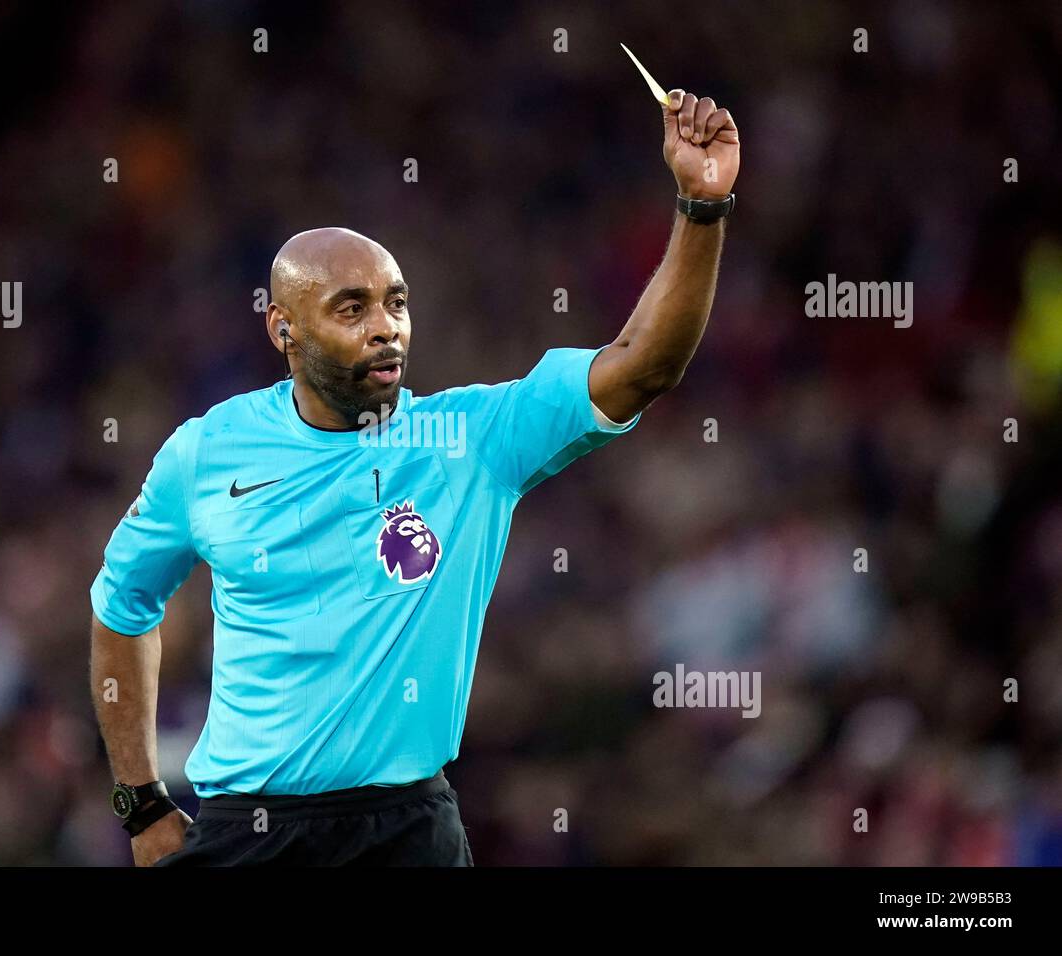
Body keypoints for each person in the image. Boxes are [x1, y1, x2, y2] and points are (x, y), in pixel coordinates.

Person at [90, 88, 740, 866]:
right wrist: (140, 803)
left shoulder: (469, 438)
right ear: (283, 329)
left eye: (396, 303)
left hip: (407, 832)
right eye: (352, 307)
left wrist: (702, 208)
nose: (386, 326)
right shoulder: (207, 452)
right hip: (245, 838)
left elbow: (642, 366)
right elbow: (122, 606)